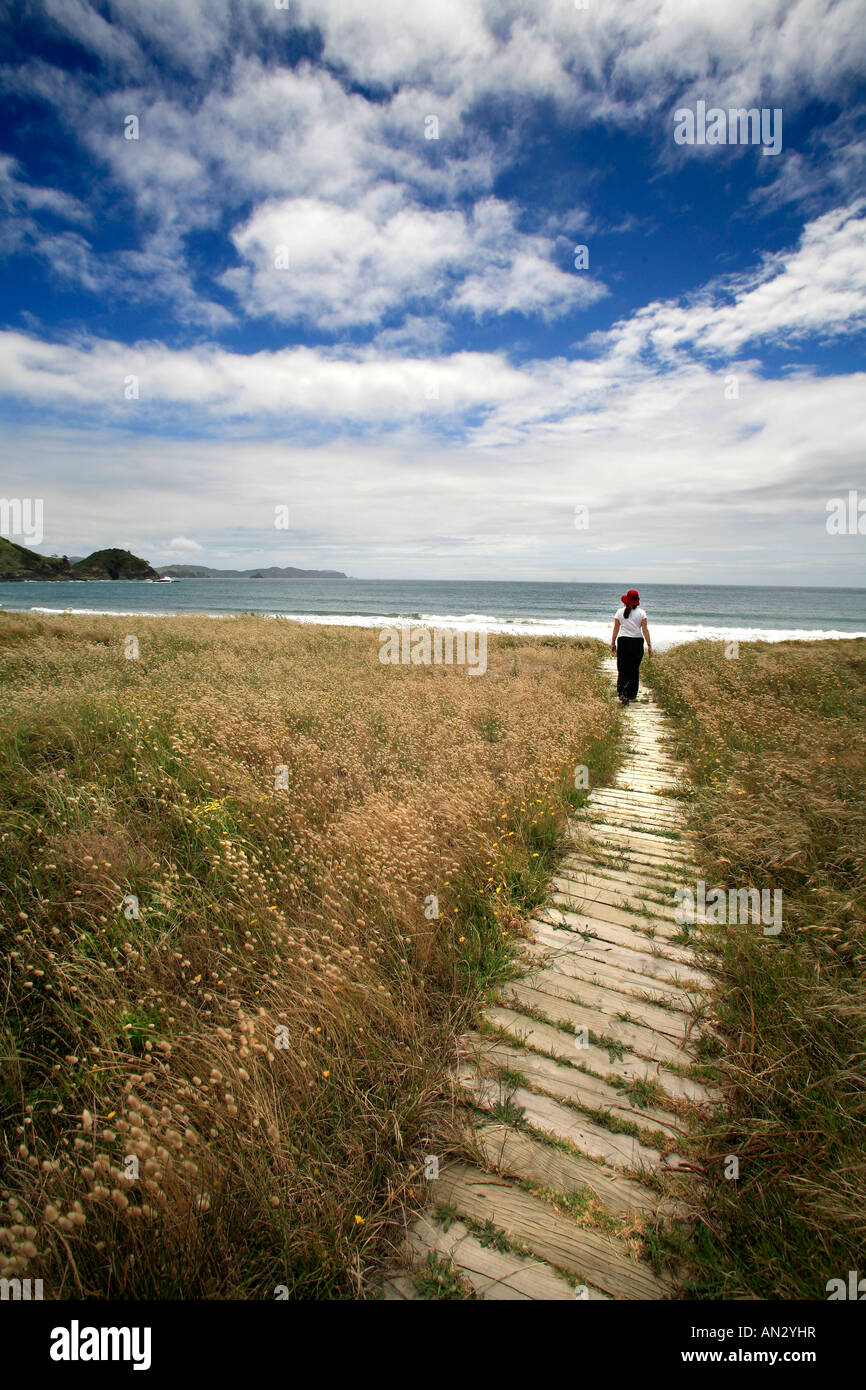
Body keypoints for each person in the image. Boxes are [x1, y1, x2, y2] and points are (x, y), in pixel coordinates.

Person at [610, 588, 653, 705]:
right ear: (637, 600)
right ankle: (631, 693)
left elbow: (616, 629)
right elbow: (645, 630)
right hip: (637, 642)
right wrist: (649, 646)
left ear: (626, 600)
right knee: (634, 669)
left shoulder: (619, 612)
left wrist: (613, 643)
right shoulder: (642, 613)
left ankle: (622, 692)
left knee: (622, 668)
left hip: (623, 641)